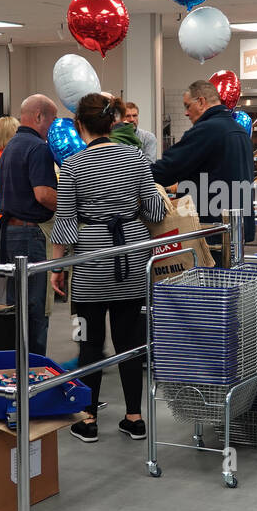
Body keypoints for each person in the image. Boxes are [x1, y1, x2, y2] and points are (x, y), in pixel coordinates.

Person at [49, 94, 167, 444]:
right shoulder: (135, 157)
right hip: (131, 257)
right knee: (130, 341)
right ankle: (134, 417)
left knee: (88, 341)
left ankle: (87, 419)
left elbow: (66, 222)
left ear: (79, 125)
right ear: (112, 122)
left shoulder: (72, 165)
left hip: (89, 264)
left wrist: (58, 268)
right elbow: (156, 211)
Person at [150, 79, 255, 246]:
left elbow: (169, 168)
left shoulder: (208, 130)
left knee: (209, 271)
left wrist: (136, 174)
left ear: (200, 101)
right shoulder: (240, 131)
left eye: (187, 106)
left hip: (211, 229)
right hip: (236, 229)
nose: (186, 112)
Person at [0, 94, 60, 356]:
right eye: (52, 120)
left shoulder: (10, 147)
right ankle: (34, 370)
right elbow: (43, 194)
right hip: (31, 234)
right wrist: (72, 202)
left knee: (17, 307)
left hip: (10, 232)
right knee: (36, 308)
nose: (54, 127)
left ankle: (17, 367)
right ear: (39, 117)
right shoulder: (38, 148)